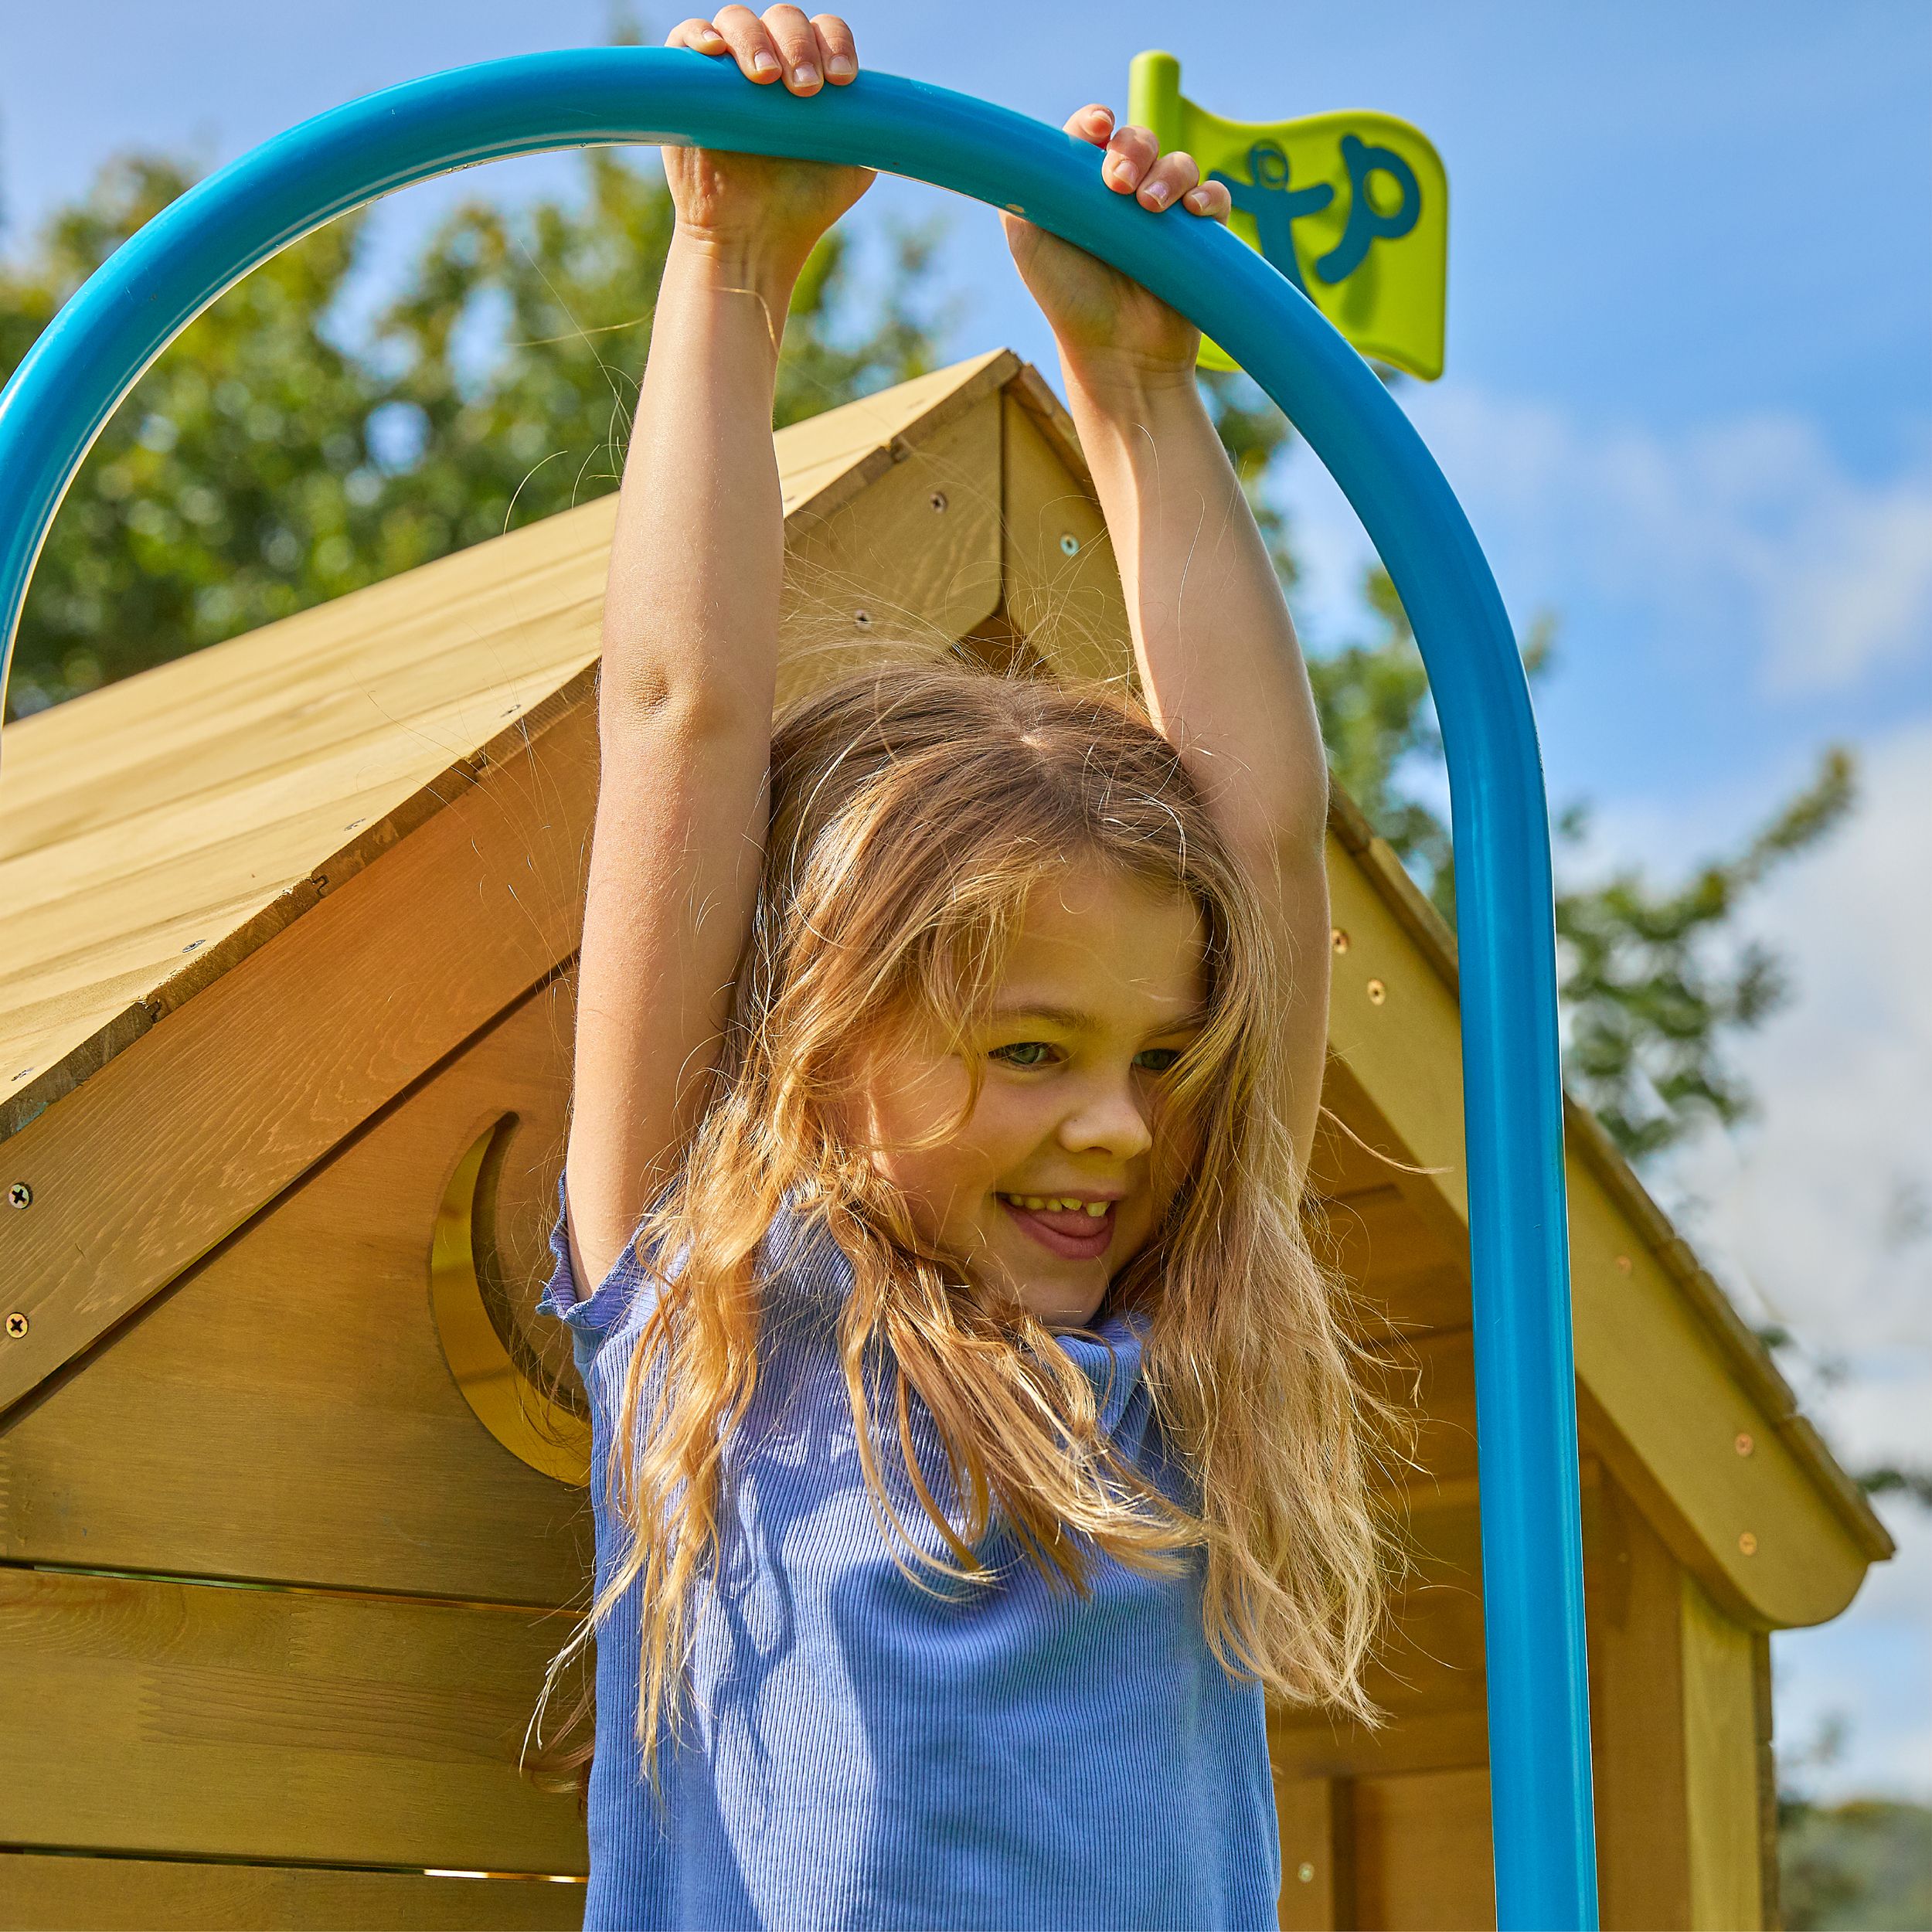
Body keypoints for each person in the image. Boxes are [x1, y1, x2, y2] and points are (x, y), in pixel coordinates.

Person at [538, 9, 1389, 1927]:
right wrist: (731, 258)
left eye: (1159, 1059)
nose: (1115, 1122)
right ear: (823, 1038)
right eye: (1027, 1047)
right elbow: (679, 716)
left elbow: (1262, 828)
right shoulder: (713, 1318)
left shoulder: (1180, 1347)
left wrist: (1136, 382)